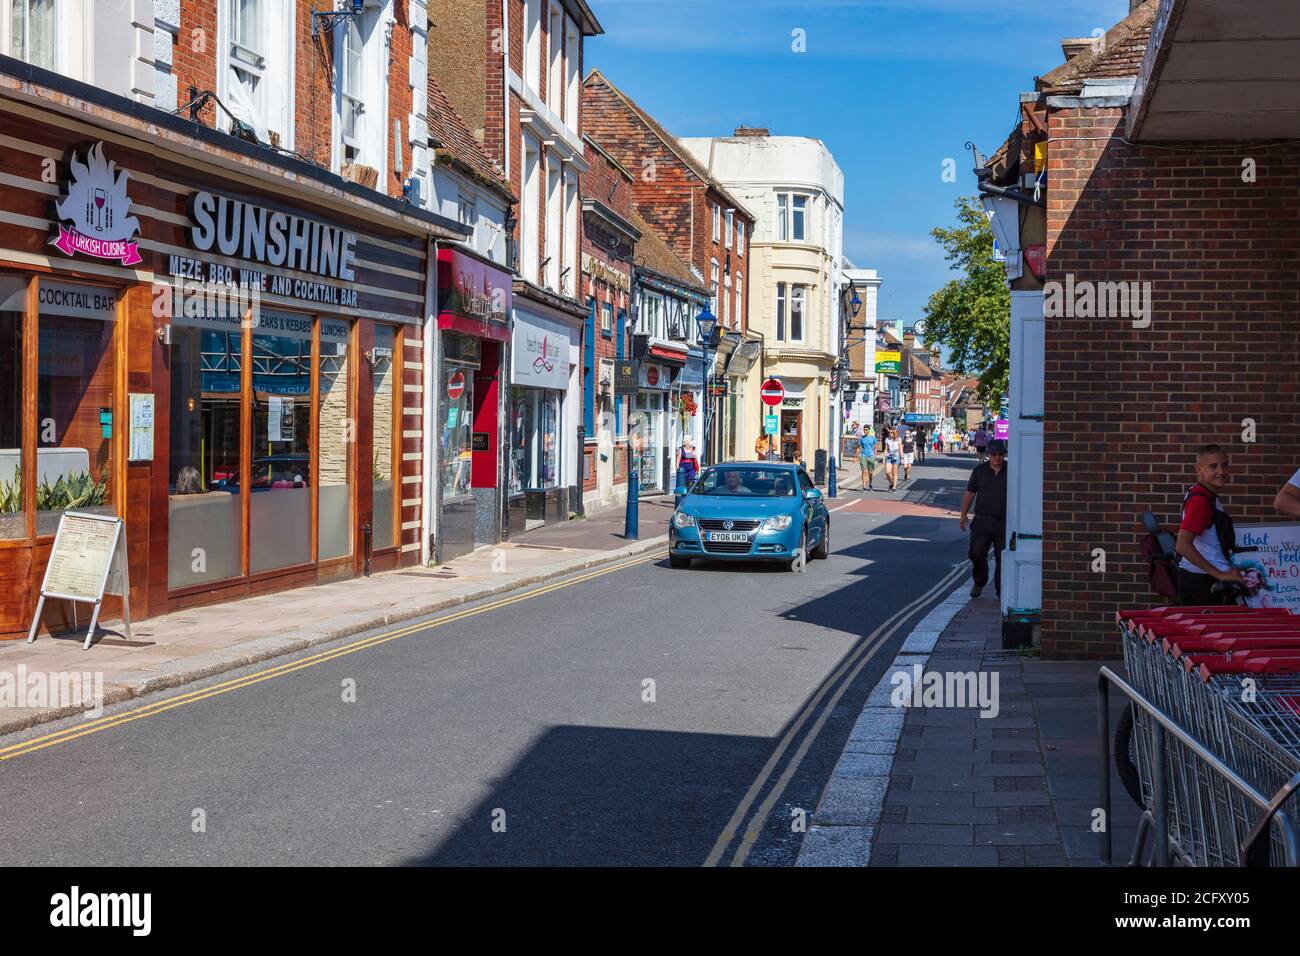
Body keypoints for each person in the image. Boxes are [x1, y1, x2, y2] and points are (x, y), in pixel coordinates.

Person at [1175, 443, 1244, 606]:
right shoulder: (1200, 500)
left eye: (1224, 465)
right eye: (1213, 466)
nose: (1221, 472)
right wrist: (1220, 574)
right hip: (1203, 584)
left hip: (1205, 580)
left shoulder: (1205, 495)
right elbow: (1183, 545)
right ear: (1198, 470)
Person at [959, 439, 1008, 598]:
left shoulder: (1011, 470)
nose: (997, 458)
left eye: (1001, 454)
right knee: (976, 553)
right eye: (994, 454)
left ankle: (1001, 592)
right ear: (988, 454)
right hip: (982, 521)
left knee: (1003, 559)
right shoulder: (979, 471)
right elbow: (969, 493)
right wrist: (963, 515)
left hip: (1004, 522)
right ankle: (980, 581)